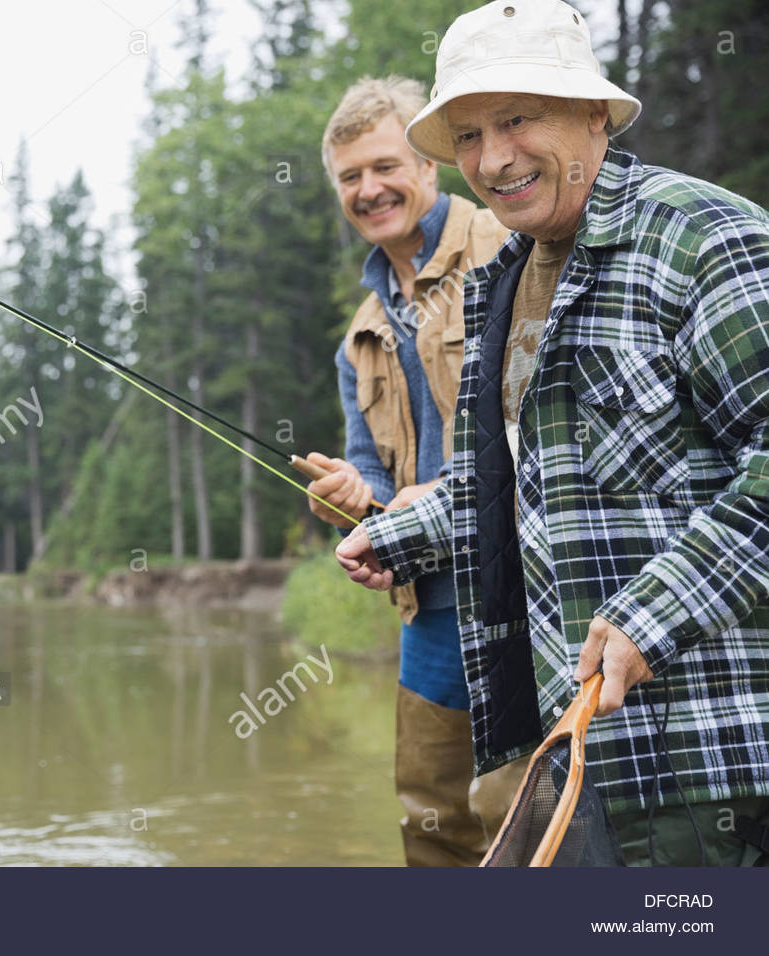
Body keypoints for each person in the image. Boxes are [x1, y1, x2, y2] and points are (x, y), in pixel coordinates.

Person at [336, 0, 769, 865]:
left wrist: (655, 611)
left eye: (518, 118)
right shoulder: (506, 278)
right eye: (468, 134)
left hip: (707, 768)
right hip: (571, 753)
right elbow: (523, 485)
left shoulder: (705, 238)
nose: (493, 158)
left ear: (591, 111)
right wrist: (407, 531)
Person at [308, 76, 516, 866]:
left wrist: (441, 487)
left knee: (523, 811)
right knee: (433, 818)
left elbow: (546, 422)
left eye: (385, 165)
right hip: (428, 604)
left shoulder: (508, 247)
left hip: (524, 588)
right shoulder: (358, 336)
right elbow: (370, 476)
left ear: (429, 165)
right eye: (351, 177)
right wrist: (356, 502)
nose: (370, 189)